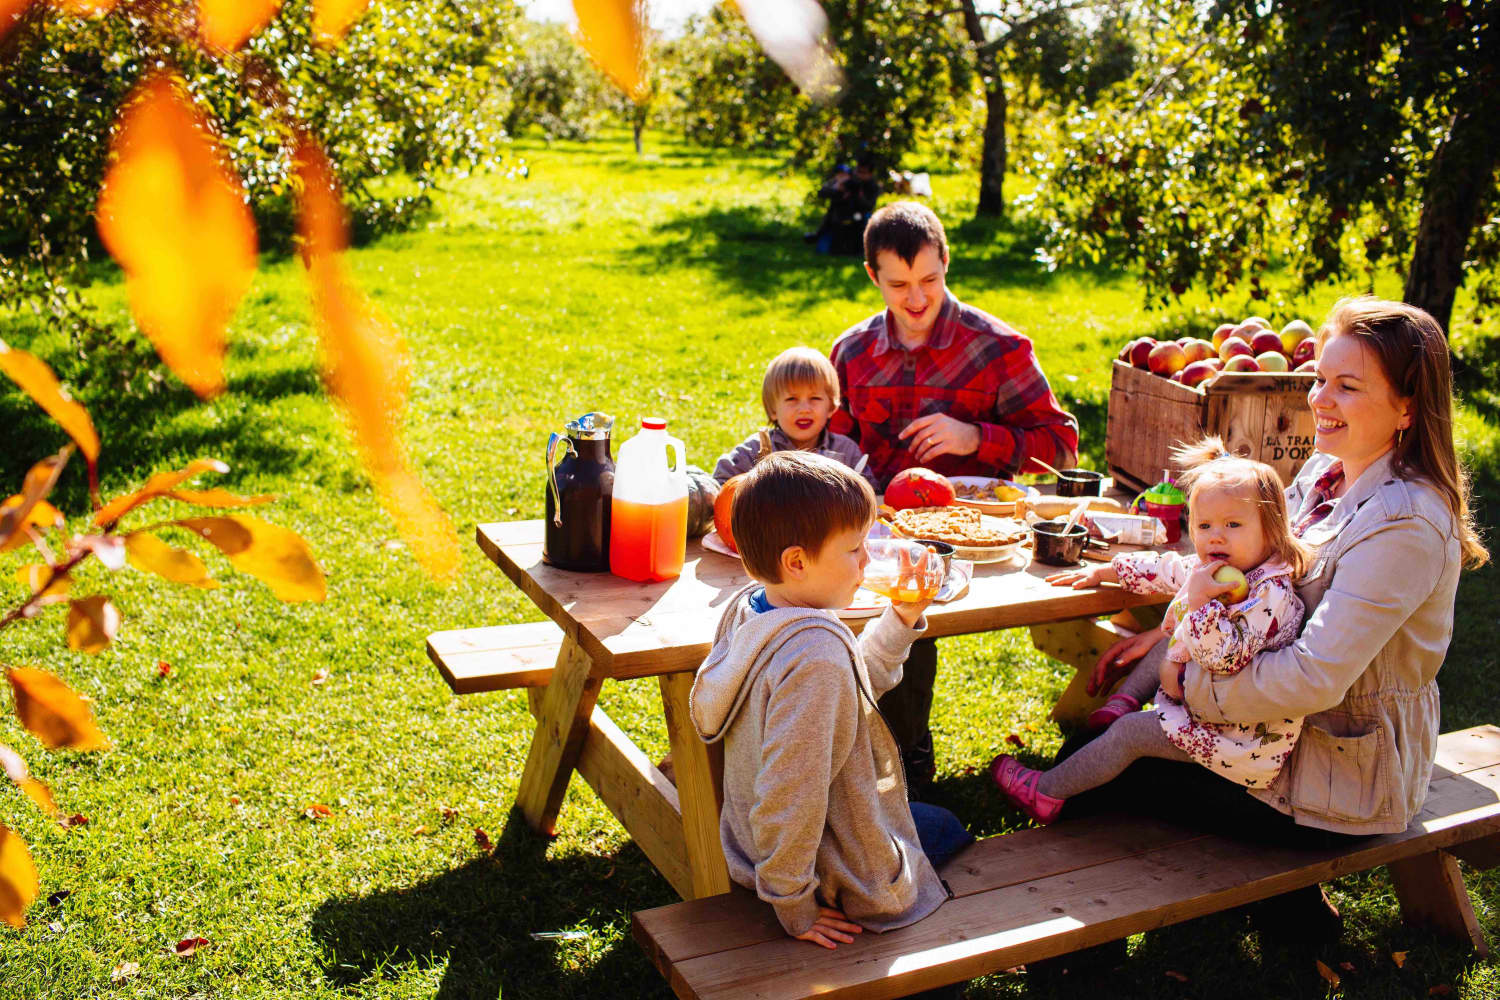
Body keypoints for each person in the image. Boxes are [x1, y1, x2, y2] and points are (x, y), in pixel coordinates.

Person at [1062, 296, 1489, 944]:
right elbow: (1250, 556)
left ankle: (1079, 952)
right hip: (1274, 742)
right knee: (1101, 749)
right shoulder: (1329, 471)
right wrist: (1172, 614)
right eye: (1320, 378)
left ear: (1407, 407)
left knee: (1095, 767)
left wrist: (1189, 689)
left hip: (1340, 777)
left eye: (1347, 386)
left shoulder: (1405, 522)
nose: (1320, 399)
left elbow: (1314, 679)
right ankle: (1283, 914)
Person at [829, 200, 1080, 790]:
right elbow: (834, 448)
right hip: (878, 532)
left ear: (946, 261)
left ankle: (903, 759)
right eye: (898, 285)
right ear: (873, 277)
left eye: (929, 281)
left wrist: (976, 436)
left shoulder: (997, 347)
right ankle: (863, 748)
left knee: (908, 592)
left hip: (980, 536)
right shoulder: (853, 353)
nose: (916, 299)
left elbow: (1063, 448)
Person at [689, 451, 971, 951]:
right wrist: (794, 903)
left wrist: (901, 620)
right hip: (821, 862)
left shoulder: (753, 608)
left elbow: (849, 695)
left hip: (751, 838)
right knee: (949, 826)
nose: (867, 562)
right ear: (797, 562)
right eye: (855, 549)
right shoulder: (816, 655)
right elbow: (790, 795)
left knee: (931, 821)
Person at [991, 438, 1312, 822]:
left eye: (1233, 524)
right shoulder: (1223, 569)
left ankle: (1045, 792)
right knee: (1166, 643)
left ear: (1272, 530)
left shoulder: (1269, 594)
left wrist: (1198, 603)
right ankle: (1121, 701)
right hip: (1209, 706)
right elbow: (1167, 568)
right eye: (1204, 525)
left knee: (1131, 734)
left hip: (1240, 739)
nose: (1216, 536)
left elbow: (1224, 658)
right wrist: (1107, 571)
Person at [712, 346, 878, 490]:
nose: (804, 409)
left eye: (815, 398)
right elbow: (721, 486)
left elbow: (870, 495)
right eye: (792, 399)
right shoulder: (754, 452)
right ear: (773, 409)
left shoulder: (845, 452)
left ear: (831, 407)